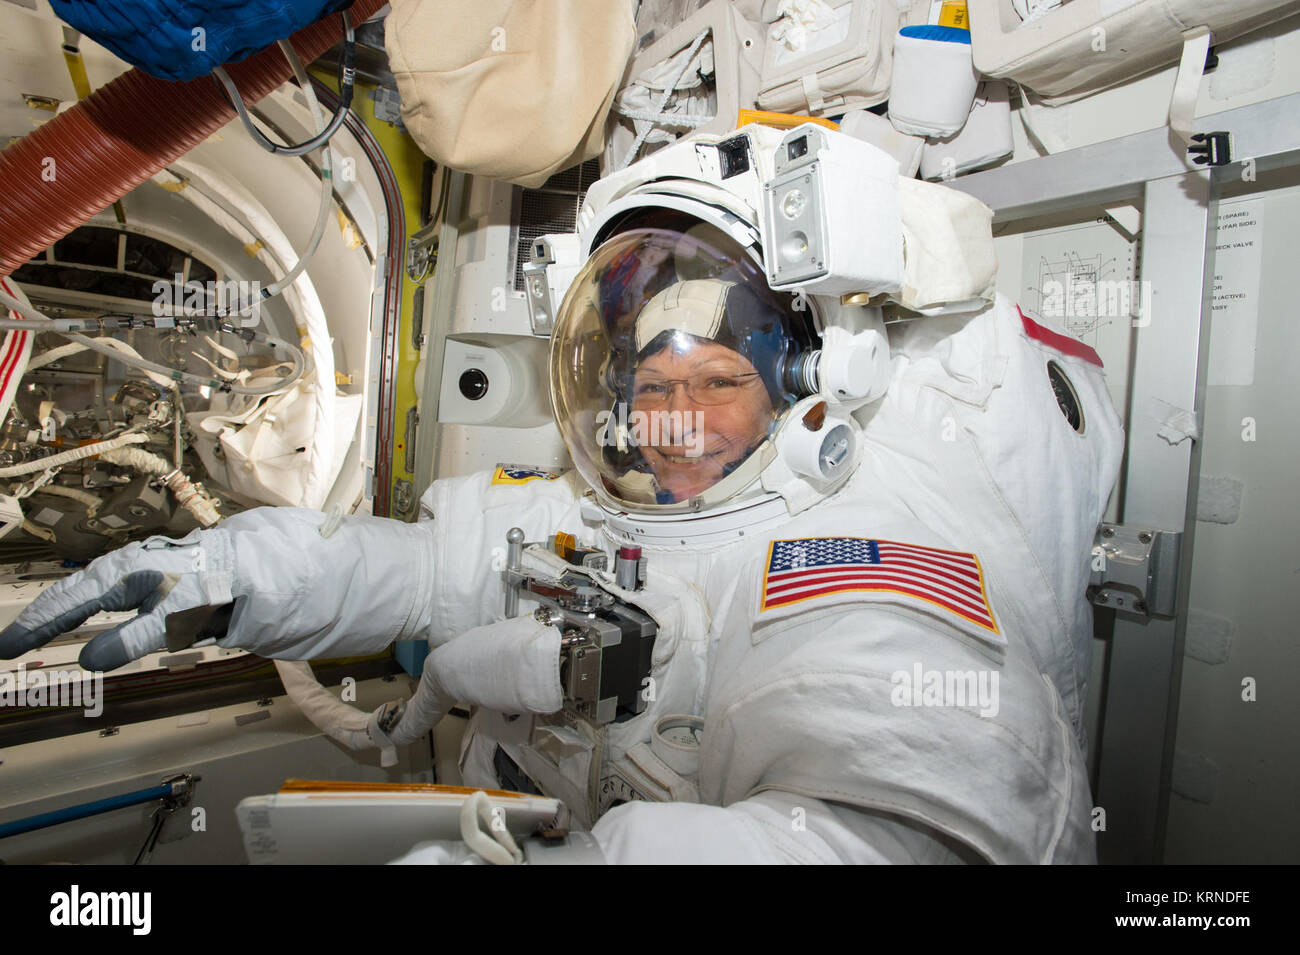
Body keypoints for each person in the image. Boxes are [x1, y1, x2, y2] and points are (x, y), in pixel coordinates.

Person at [0, 210, 1123, 864]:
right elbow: (412, 569)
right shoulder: (592, 506)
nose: (671, 417)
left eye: (719, 381)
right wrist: (230, 570)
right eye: (650, 382)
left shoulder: (853, 560)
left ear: (794, 396)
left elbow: (888, 831)